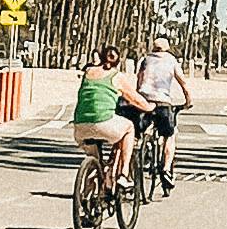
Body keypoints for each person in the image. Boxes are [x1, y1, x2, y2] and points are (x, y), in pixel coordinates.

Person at [73, 51, 141, 199]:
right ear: (118, 62)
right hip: (103, 123)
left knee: (93, 159)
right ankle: (123, 174)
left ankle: (87, 201)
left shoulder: (88, 72)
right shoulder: (117, 76)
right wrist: (151, 107)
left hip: (80, 127)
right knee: (128, 128)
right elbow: (135, 99)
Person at [135, 37, 189, 172]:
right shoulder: (171, 60)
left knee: (140, 128)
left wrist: (138, 95)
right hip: (162, 101)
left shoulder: (146, 59)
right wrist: (188, 100)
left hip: (144, 100)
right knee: (169, 136)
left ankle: (145, 147)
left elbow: (139, 79)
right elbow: (182, 82)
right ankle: (166, 168)